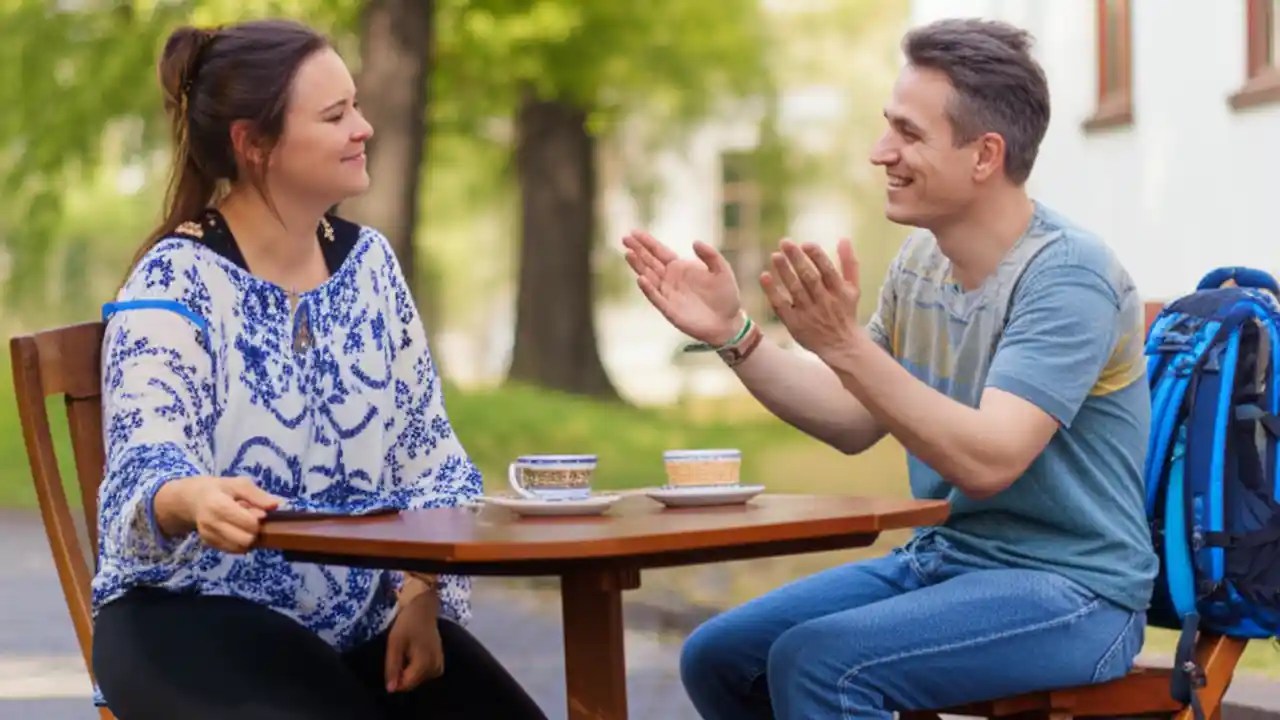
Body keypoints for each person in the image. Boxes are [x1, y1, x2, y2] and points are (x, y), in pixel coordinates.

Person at [623, 17, 1158, 720]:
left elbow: (989, 459)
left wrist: (843, 344)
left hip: (1074, 592)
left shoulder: (1068, 276)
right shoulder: (922, 264)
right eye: (888, 128)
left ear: (983, 155)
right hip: (947, 562)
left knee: (821, 665)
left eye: (908, 133)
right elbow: (850, 419)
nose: (881, 153)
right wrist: (736, 333)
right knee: (719, 657)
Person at [89, 19, 546, 720]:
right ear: (254, 144)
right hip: (186, 618)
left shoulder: (371, 267)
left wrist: (421, 594)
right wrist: (191, 498)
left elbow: (433, 459)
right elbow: (146, 460)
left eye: (356, 105)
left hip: (357, 631)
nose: (363, 128)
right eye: (335, 115)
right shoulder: (174, 280)